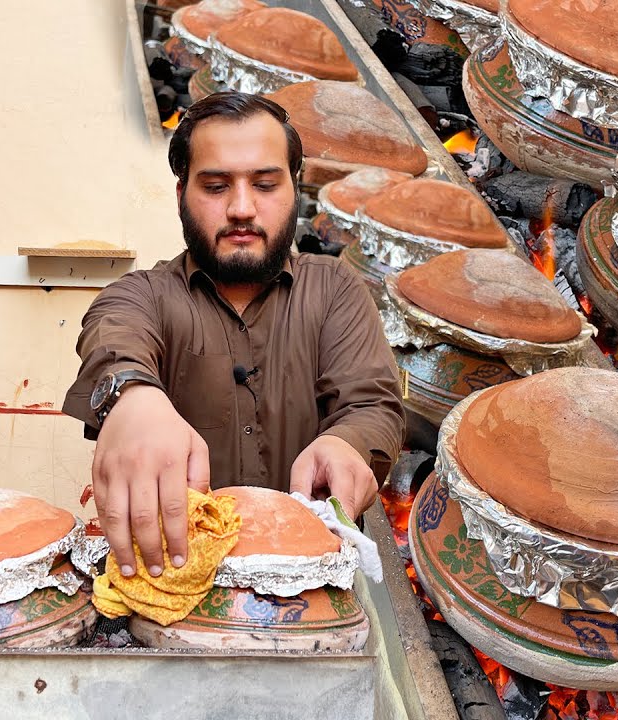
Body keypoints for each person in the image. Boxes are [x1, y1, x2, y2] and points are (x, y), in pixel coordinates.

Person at [62, 92, 405, 582]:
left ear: (294, 189)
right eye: (217, 186)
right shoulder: (144, 295)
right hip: (175, 579)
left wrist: (350, 442)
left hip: (309, 585)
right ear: (181, 195)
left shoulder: (334, 288)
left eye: (265, 184)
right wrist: (133, 399)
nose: (242, 208)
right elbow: (113, 334)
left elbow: (371, 404)